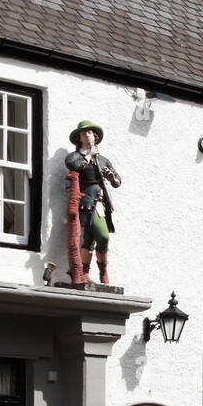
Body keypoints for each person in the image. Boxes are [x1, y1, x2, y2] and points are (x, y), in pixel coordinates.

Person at [65, 120, 121, 284]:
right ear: (79, 139)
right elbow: (74, 165)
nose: (87, 135)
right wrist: (89, 156)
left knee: (90, 239)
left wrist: (111, 177)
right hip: (86, 201)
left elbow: (117, 181)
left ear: (95, 137)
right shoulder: (75, 156)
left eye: (89, 133)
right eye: (83, 134)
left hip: (101, 202)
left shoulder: (103, 160)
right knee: (102, 235)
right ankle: (87, 272)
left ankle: (95, 272)